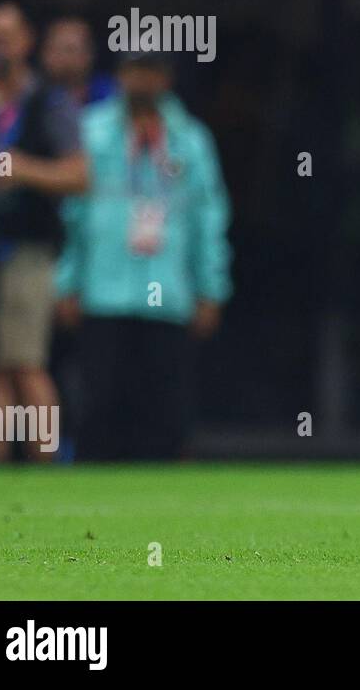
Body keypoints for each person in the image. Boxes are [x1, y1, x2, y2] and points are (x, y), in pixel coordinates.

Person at [54, 48, 232, 460]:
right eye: (135, 70)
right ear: (119, 75)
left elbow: (209, 217)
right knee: (99, 404)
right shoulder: (91, 131)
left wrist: (211, 288)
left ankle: (166, 508)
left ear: (166, 78)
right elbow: (71, 214)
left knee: (166, 411)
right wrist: (67, 281)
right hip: (104, 288)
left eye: (152, 71)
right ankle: (95, 501)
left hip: (168, 291)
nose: (143, 81)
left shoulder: (190, 138)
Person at [0, 0, 87, 462]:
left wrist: (24, 169)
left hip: (24, 251)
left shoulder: (45, 103)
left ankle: (46, 466)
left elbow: (79, 175)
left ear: (26, 41)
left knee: (24, 362)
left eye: (2, 40)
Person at [40, 16, 116, 107]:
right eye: (54, 49)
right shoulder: (32, 96)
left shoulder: (111, 93)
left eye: (69, 50)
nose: (61, 57)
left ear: (89, 53)